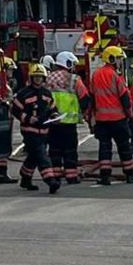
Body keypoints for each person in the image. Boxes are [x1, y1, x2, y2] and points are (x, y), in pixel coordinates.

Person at [90, 45, 133, 184]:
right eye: (118, 59)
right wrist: (130, 114)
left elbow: (92, 97)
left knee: (104, 148)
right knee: (124, 148)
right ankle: (129, 175)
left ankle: (105, 176)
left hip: (101, 120)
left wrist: (92, 116)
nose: (120, 62)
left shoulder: (96, 74)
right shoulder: (116, 76)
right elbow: (124, 98)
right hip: (118, 119)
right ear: (111, 59)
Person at [10, 64, 61, 193]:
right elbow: (15, 110)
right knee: (42, 156)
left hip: (44, 131)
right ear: (31, 78)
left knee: (34, 156)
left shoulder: (47, 94)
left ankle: (25, 177)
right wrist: (27, 118)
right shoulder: (23, 94)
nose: (38, 79)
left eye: (40, 77)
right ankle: (50, 181)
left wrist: (55, 116)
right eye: (35, 77)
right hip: (29, 131)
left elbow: (53, 109)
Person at [47, 50, 89, 185]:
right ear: (68, 63)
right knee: (70, 151)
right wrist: (83, 112)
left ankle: (56, 176)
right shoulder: (74, 79)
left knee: (54, 150)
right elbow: (84, 98)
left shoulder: (47, 78)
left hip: (52, 122)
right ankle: (71, 176)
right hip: (69, 123)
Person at [0, 56, 20, 183]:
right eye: (10, 70)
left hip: (3, 116)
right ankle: (2, 173)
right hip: (3, 117)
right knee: (3, 144)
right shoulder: (4, 86)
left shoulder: (4, 84)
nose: (11, 73)